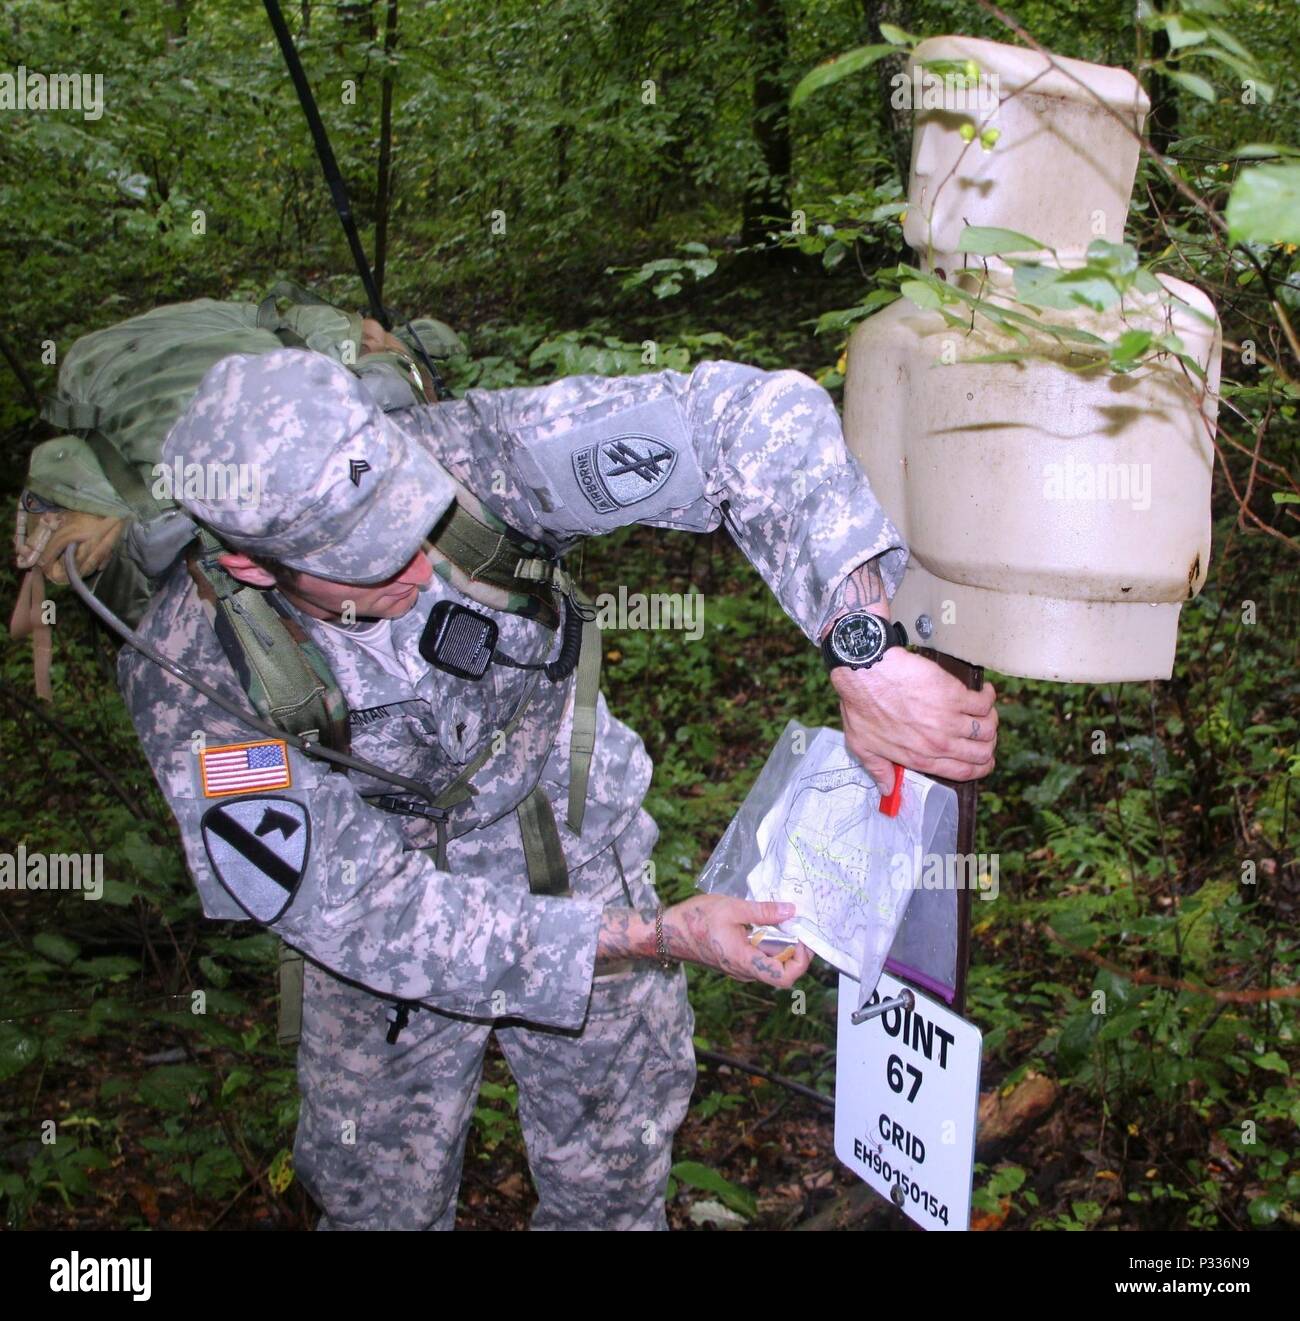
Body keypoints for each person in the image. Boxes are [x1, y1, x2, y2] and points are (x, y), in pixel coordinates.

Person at [117, 341, 997, 1230]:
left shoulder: (473, 461)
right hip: (384, 917)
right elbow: (370, 913)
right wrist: (656, 936)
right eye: (372, 565)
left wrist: (863, 647)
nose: (420, 568)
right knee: (373, 1198)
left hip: (565, 827)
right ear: (250, 567)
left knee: (614, 1180)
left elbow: (742, 417)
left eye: (411, 524)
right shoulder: (191, 677)